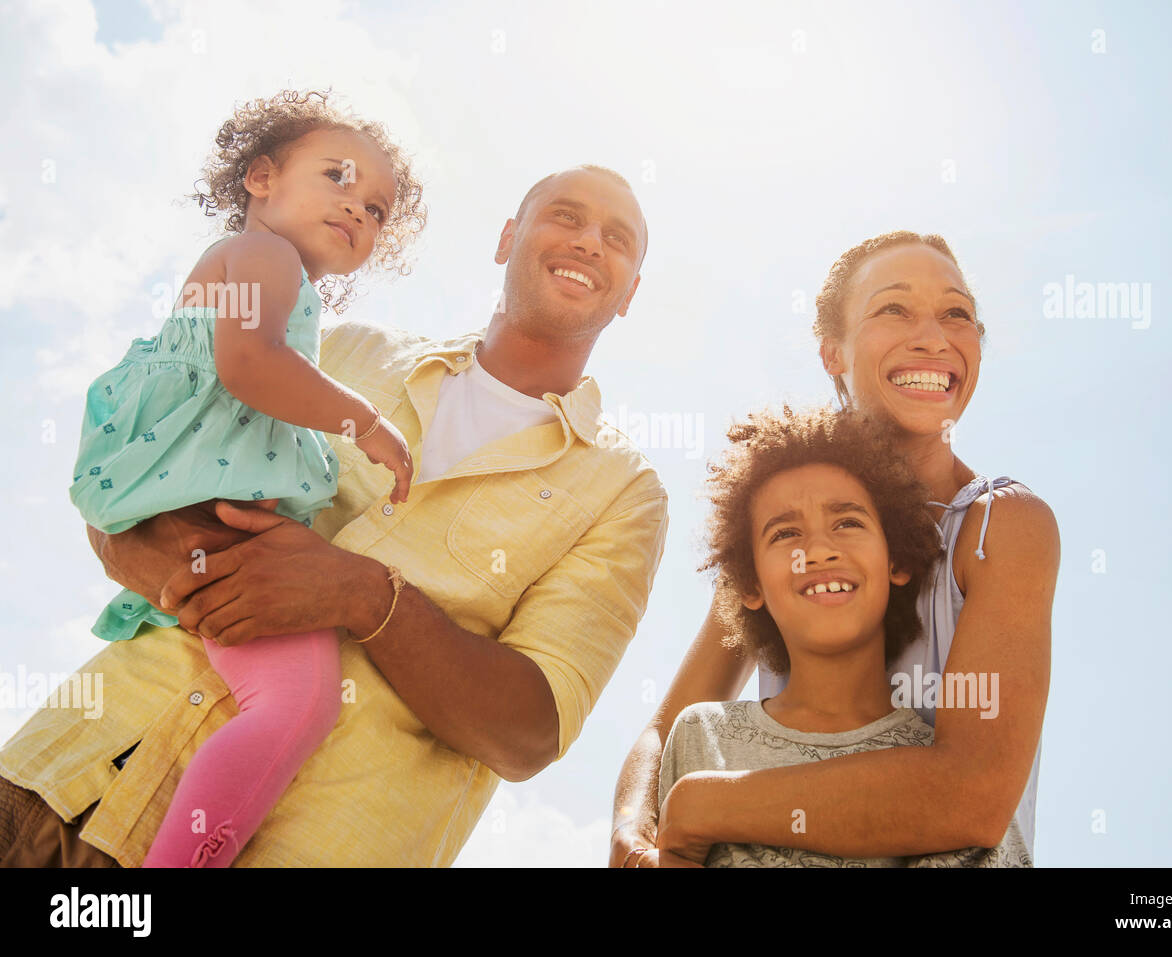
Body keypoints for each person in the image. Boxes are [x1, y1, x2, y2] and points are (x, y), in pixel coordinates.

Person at [0, 161, 667, 868]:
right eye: (565, 216)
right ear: (508, 237)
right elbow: (135, 480)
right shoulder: (342, 351)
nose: (590, 241)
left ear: (630, 292)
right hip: (68, 777)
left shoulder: (623, 490)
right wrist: (187, 563)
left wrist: (361, 593)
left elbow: (529, 731)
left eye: (617, 237)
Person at [612, 231, 1058, 867]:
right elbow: (666, 729)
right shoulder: (789, 540)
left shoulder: (1001, 526)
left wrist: (706, 807)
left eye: (957, 313)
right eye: (894, 309)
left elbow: (972, 796)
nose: (933, 337)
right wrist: (631, 829)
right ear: (833, 353)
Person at [66, 89, 422, 868]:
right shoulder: (265, 256)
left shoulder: (280, 276)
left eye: (377, 208)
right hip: (207, 511)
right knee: (299, 704)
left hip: (190, 512)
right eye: (337, 176)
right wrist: (362, 421)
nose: (358, 208)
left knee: (291, 697)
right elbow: (248, 361)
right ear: (261, 178)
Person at [652, 406, 1031, 867]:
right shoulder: (701, 736)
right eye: (785, 532)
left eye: (848, 523)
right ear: (750, 586)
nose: (819, 550)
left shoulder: (943, 793)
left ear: (897, 562)